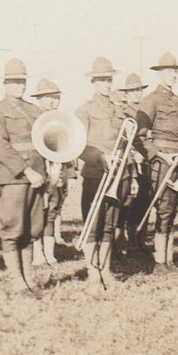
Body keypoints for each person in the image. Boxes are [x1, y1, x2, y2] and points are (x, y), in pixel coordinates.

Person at [0, 58, 46, 296]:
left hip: (36, 176)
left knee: (31, 229)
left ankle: (29, 279)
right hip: (13, 177)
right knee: (12, 229)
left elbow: (44, 140)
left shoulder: (34, 110)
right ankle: (17, 282)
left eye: (22, 81)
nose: (21, 86)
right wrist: (25, 170)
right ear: (6, 84)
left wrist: (45, 169)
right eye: (16, 82)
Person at [135, 52, 178, 273]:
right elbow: (139, 136)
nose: (173, 76)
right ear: (159, 75)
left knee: (174, 208)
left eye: (175, 72)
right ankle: (159, 262)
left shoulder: (177, 101)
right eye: (169, 72)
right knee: (164, 208)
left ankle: (169, 260)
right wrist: (160, 155)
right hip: (162, 160)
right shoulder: (151, 100)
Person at [75, 57, 126, 290]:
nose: (107, 84)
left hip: (116, 174)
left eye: (109, 80)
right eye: (103, 80)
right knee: (93, 223)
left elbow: (123, 142)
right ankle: (92, 271)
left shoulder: (118, 110)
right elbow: (78, 146)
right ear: (93, 82)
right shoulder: (84, 110)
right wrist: (100, 157)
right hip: (95, 174)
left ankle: (105, 269)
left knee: (109, 224)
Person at [32, 78, 68, 263]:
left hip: (56, 170)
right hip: (39, 171)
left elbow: (67, 145)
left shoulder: (60, 121)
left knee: (52, 211)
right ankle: (37, 254)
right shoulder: (33, 118)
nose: (53, 101)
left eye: (56, 97)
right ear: (39, 100)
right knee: (38, 212)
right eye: (48, 98)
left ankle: (49, 253)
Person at [117, 73, 149, 255]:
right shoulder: (124, 113)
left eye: (139, 91)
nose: (136, 94)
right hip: (129, 161)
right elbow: (123, 139)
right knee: (128, 202)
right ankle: (126, 242)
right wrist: (133, 153)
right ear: (126, 94)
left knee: (144, 200)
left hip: (145, 160)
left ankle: (140, 240)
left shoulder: (144, 112)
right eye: (132, 91)